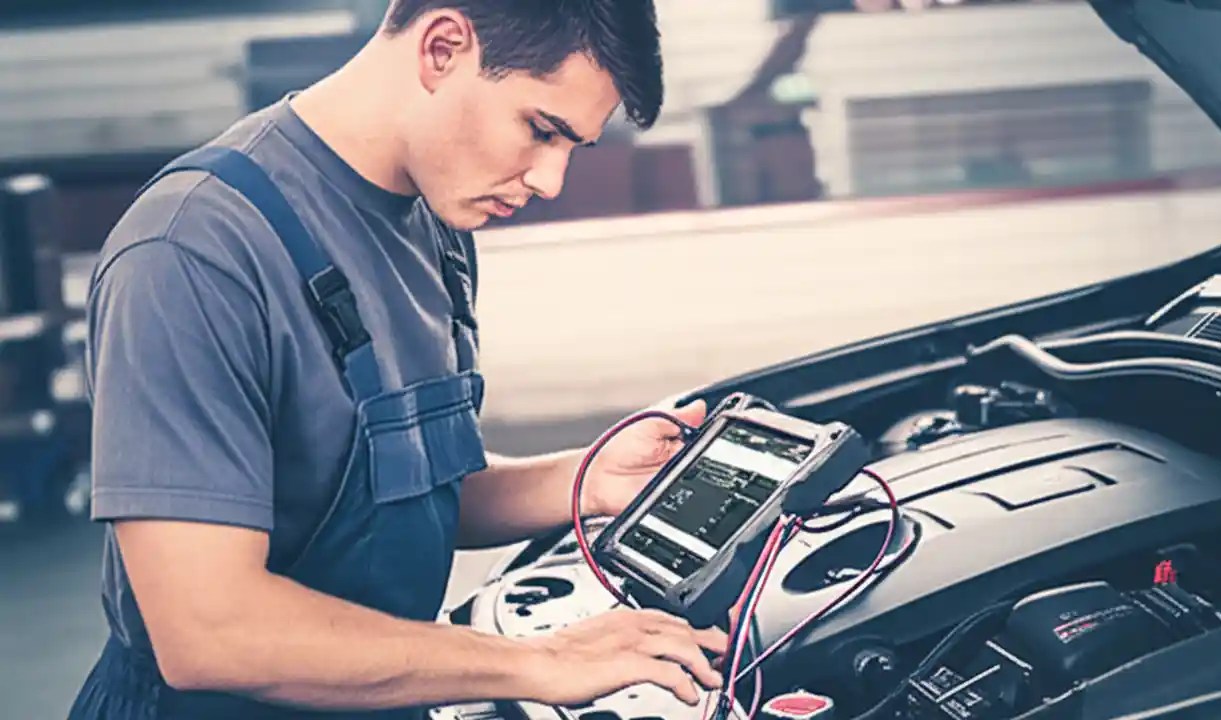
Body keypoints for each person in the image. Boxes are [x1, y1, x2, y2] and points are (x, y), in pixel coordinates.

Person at [69, 1, 728, 718]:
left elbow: (397, 493)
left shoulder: (433, 224)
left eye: (574, 147)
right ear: (442, 49)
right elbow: (211, 631)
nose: (550, 181)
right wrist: (540, 661)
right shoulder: (194, 253)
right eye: (541, 130)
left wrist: (587, 477)